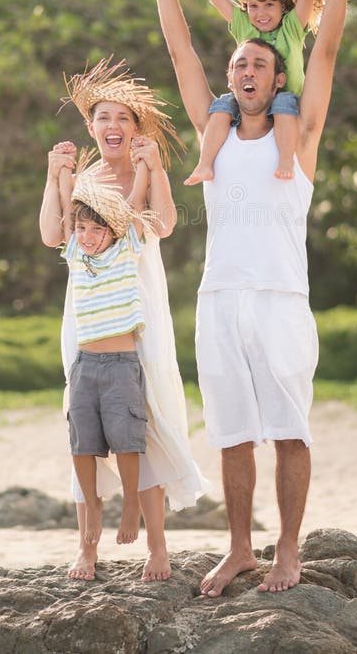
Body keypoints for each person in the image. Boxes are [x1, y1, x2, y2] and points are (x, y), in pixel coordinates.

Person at [153, 0, 352, 597]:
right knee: (232, 435)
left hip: (280, 302)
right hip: (218, 305)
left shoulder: (303, 135)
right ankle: (238, 548)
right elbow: (180, 51)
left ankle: (287, 549)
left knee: (289, 433)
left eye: (258, 67)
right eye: (237, 64)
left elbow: (324, 47)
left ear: (275, 79)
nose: (244, 73)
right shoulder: (213, 132)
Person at [40, 57, 209, 582]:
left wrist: (155, 168)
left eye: (123, 119)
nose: (112, 127)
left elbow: (162, 224)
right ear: (90, 126)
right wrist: (55, 177)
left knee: (149, 417)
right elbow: (54, 235)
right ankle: (86, 549)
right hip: (88, 315)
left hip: (141, 308)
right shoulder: (83, 178)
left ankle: (157, 548)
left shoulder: (143, 171)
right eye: (103, 118)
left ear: (137, 129)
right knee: (82, 429)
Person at [165, 0, 328, 184]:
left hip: (285, 98)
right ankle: (205, 163)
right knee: (220, 107)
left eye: (269, 5)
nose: (260, 14)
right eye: (253, 6)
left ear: (283, 7)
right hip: (249, 101)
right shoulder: (244, 26)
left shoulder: (291, 28)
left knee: (283, 105)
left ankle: (286, 160)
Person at [51, 157, 154, 548]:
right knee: (82, 440)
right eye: (82, 229)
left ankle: (131, 502)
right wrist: (62, 174)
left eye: (97, 229)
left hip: (121, 366)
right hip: (85, 366)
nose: (89, 236)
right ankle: (92, 506)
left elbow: (135, 202)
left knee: (127, 438)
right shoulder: (76, 254)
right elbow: (66, 207)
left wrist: (143, 165)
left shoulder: (126, 249)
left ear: (113, 232)